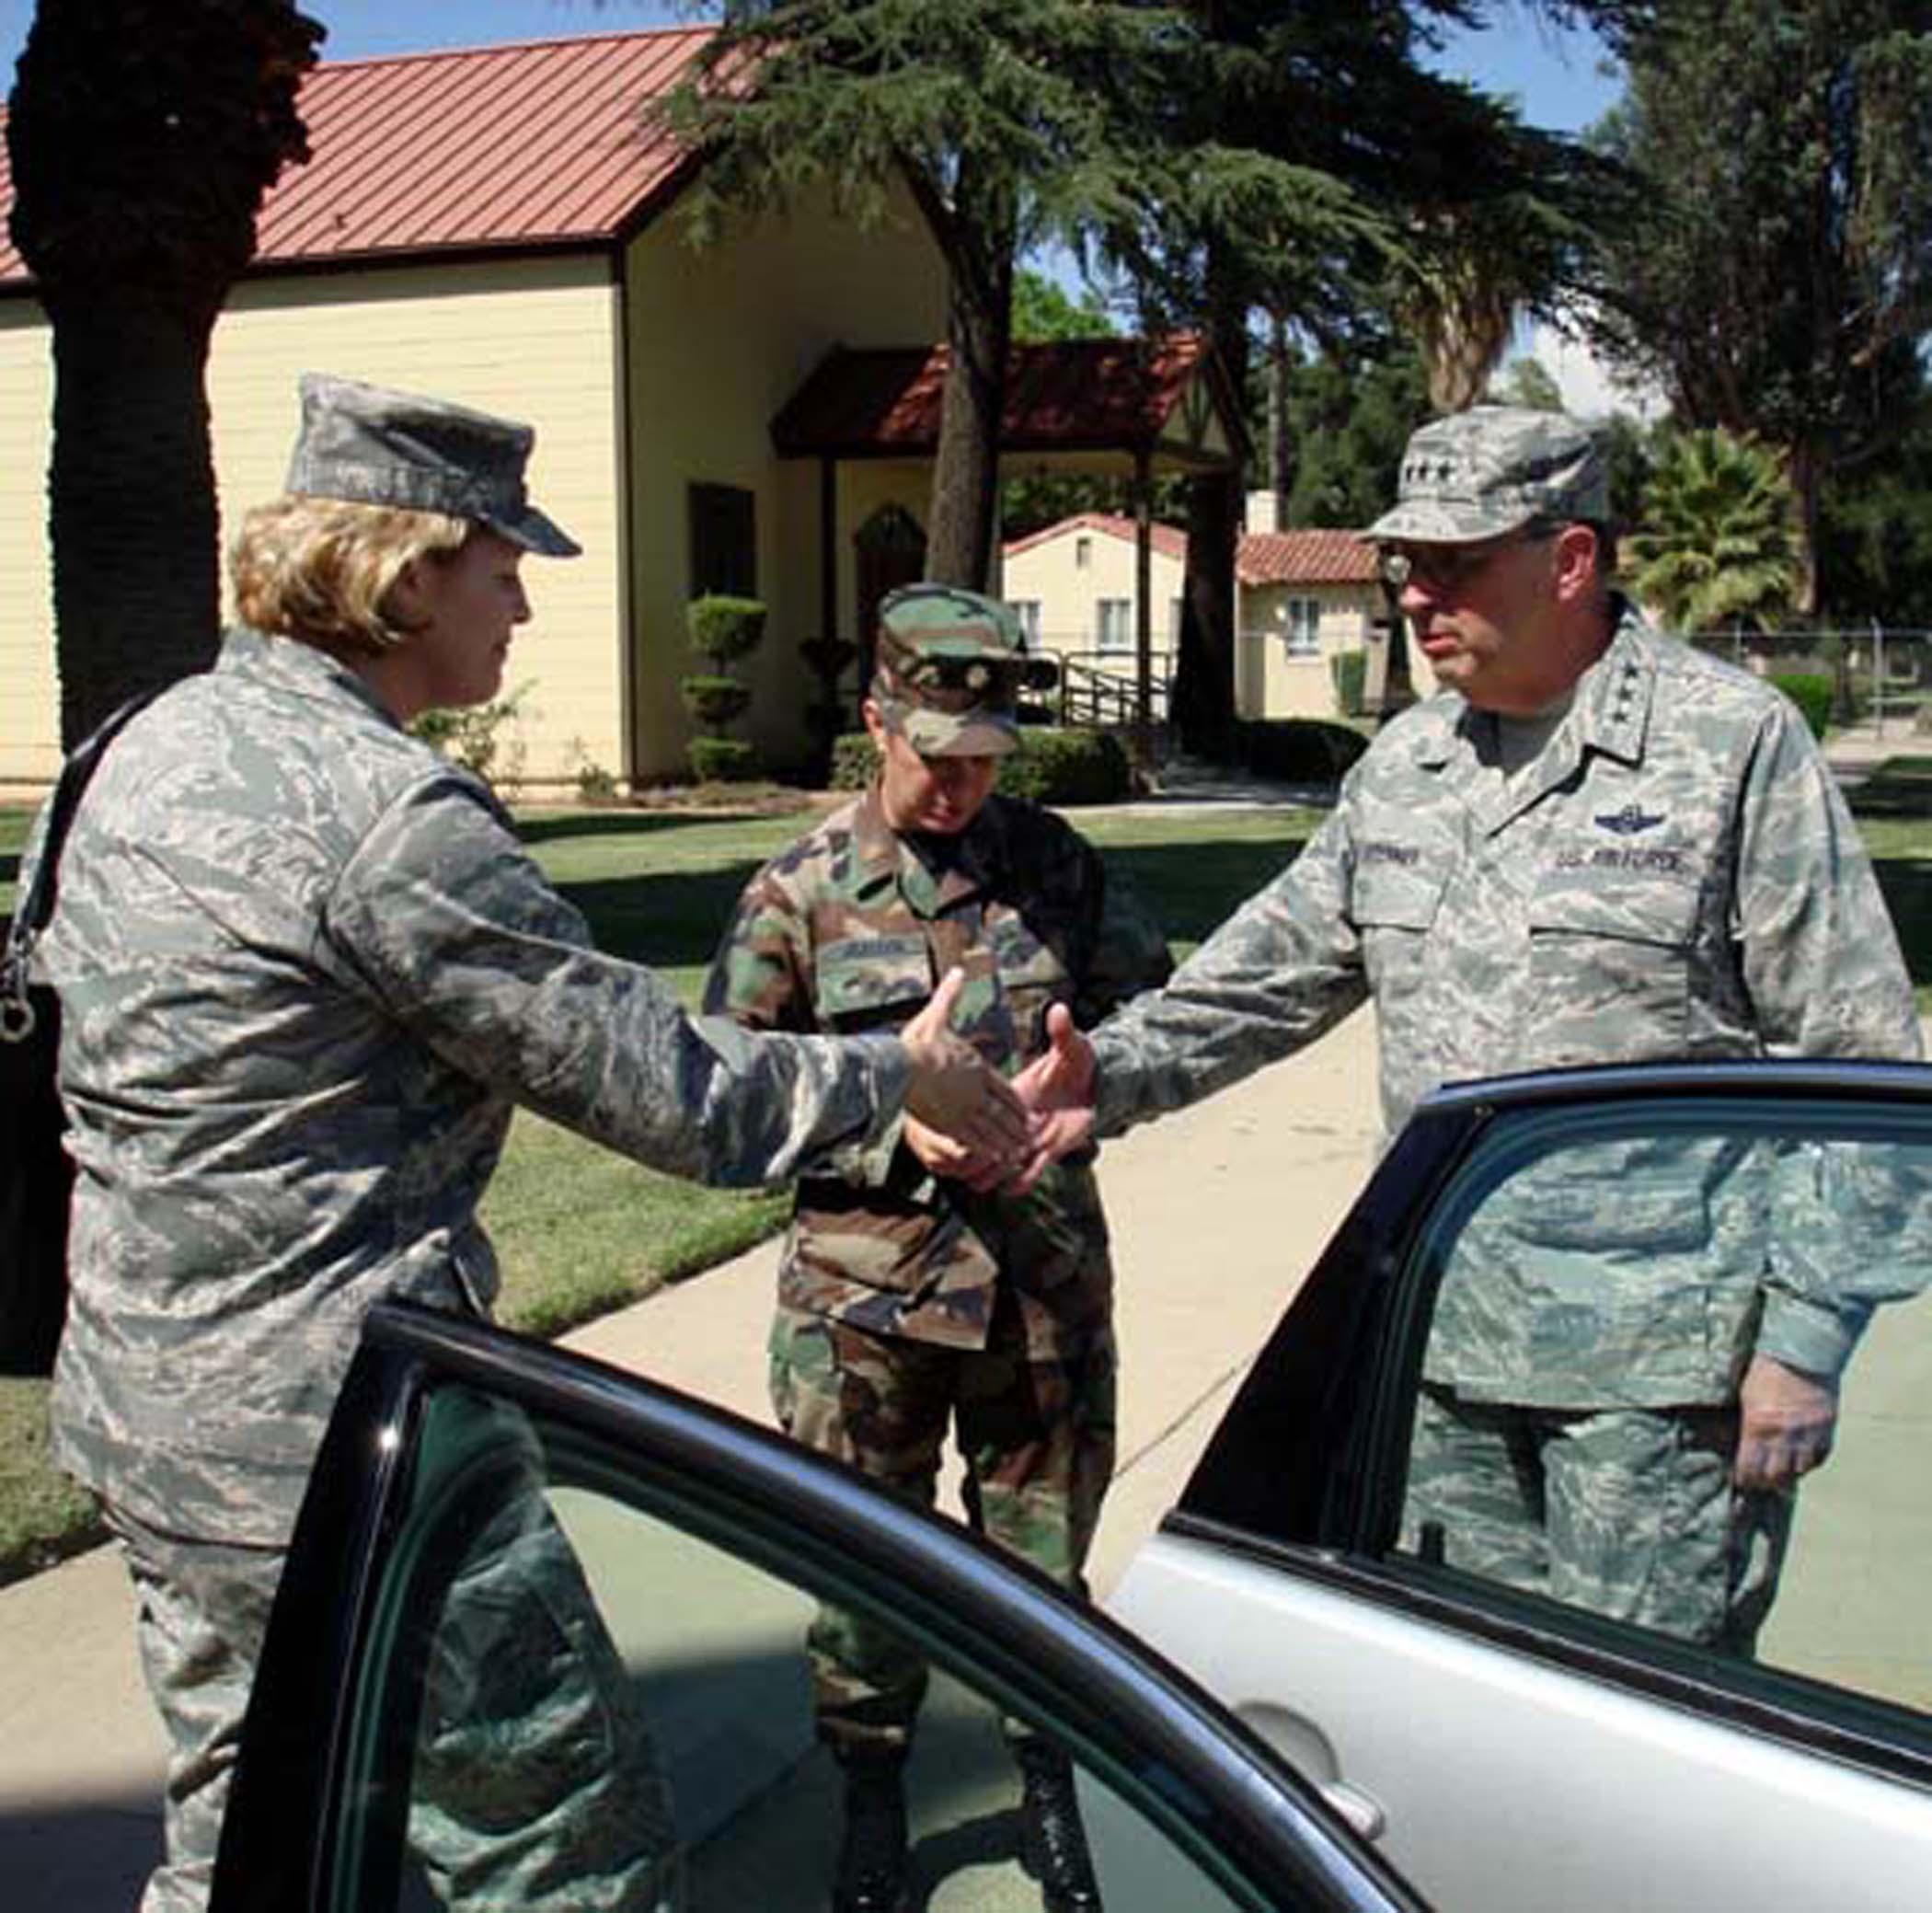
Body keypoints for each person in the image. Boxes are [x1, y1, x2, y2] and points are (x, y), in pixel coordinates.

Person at [22, 374, 1025, 1913]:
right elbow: (670, 1092)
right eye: (505, 572)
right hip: (342, 1458)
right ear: (410, 568)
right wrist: (904, 1074)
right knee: (569, 1863)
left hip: (145, 1423)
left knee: (250, 1835)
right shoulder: (385, 816)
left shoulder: (129, 752)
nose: (520, 615)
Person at [1012, 405, 1923, 1653]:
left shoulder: (1730, 748)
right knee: (1471, 1713)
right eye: (1404, 564)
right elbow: (1267, 976)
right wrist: (1099, 1079)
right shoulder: (1408, 766)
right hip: (1442, 1364)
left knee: (1639, 1752)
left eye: (1455, 562)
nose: (1414, 595)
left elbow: (1858, 1064)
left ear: (1570, 560)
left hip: (1661, 1396)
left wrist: (1808, 1343)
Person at [704, 584, 1172, 1913]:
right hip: (867, 1318)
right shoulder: (797, 894)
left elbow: (1156, 1019)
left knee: (1044, 1581)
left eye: (985, 760)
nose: (964, 783)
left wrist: (1099, 1076)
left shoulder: (1059, 867)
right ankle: (870, 1804)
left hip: (1042, 1297)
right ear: (874, 723)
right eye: (936, 754)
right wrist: (893, 1137)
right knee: (865, 1585)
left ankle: (1048, 1797)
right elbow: (729, 1102)